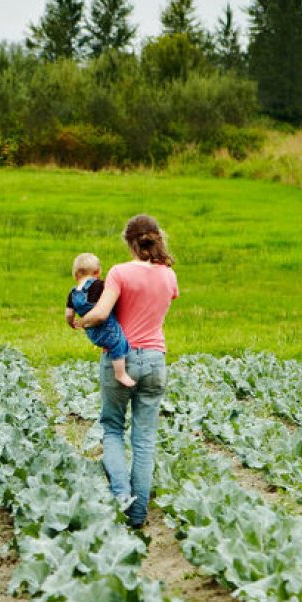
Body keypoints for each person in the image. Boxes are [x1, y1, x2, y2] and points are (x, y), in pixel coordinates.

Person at [68, 214, 177, 528]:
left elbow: (101, 313)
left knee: (113, 429)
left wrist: (81, 321)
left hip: (122, 358)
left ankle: (121, 496)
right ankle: (138, 515)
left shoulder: (119, 273)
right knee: (144, 440)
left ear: (130, 242)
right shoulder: (169, 275)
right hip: (156, 360)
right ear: (156, 238)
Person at [65, 252, 136, 389]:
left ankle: (118, 368)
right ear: (97, 272)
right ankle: (120, 374)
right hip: (106, 326)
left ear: (75, 274)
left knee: (110, 344)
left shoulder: (73, 293)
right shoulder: (99, 285)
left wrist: (72, 323)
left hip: (91, 331)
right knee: (118, 343)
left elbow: (68, 314)